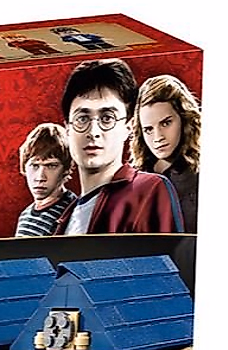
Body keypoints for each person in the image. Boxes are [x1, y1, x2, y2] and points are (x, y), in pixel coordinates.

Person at [54, 59, 182, 235]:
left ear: (128, 127)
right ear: (68, 129)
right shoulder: (66, 217)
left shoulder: (148, 191)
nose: (93, 132)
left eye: (107, 118)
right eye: (82, 119)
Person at [129, 74, 201, 234]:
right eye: (148, 129)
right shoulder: (133, 179)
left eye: (166, 123)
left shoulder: (201, 177)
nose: (158, 137)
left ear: (184, 119)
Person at [14, 123, 75, 236]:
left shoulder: (73, 212)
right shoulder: (25, 215)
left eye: (51, 166)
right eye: (34, 166)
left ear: (66, 169)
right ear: (24, 167)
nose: (40, 177)